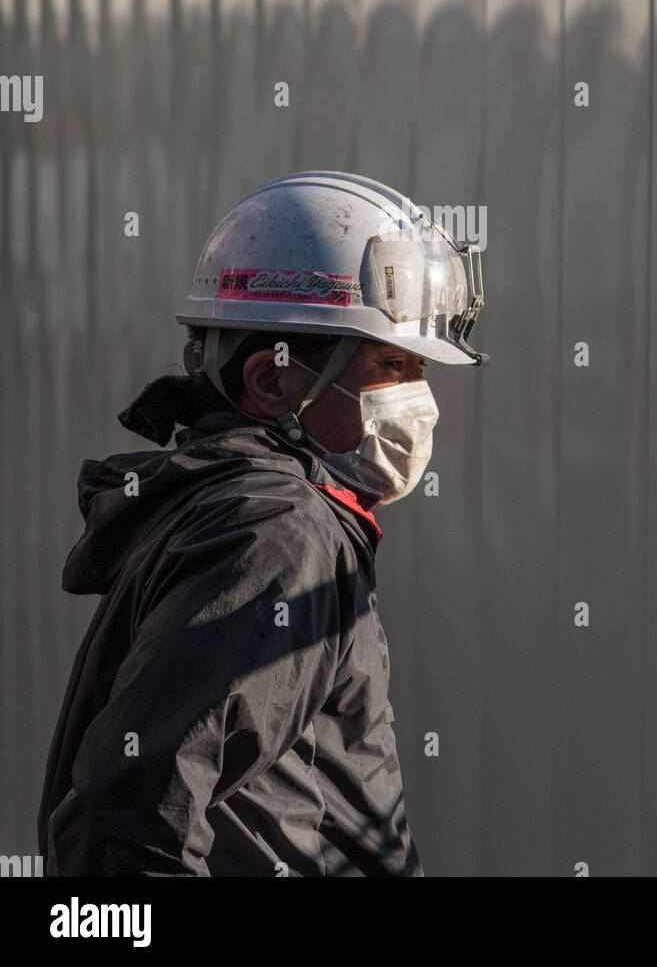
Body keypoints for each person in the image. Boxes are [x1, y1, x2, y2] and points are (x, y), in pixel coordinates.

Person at [37, 171, 487, 877]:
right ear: (271, 380)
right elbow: (127, 818)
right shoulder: (278, 534)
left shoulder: (243, 509)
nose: (417, 398)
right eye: (391, 365)